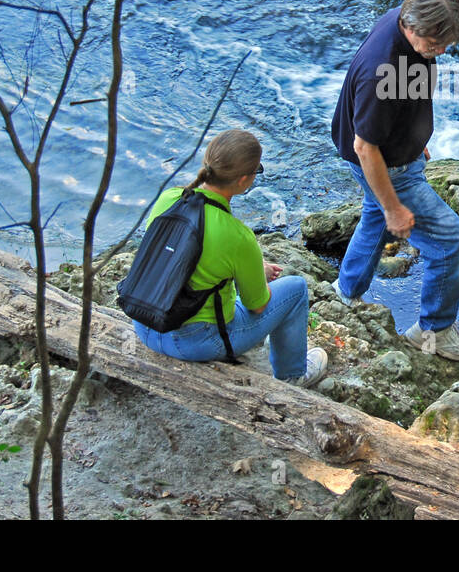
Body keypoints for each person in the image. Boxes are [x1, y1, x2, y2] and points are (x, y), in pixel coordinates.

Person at [330, 0, 459, 361]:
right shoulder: (382, 71)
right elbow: (366, 148)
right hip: (384, 165)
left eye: (447, 45)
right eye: (435, 45)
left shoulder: (404, 22)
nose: (442, 52)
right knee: (451, 244)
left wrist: (413, 138)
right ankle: (434, 331)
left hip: (394, 154)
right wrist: (395, 206)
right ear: (411, 28)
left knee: (373, 219)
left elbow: (406, 92)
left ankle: (345, 294)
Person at [131, 129, 328, 387]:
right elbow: (257, 305)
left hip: (145, 324)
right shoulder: (238, 236)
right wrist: (255, 276)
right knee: (296, 289)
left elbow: (186, 261)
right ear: (244, 180)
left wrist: (251, 269)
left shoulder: (168, 198)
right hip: (195, 342)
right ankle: (292, 376)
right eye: (257, 171)